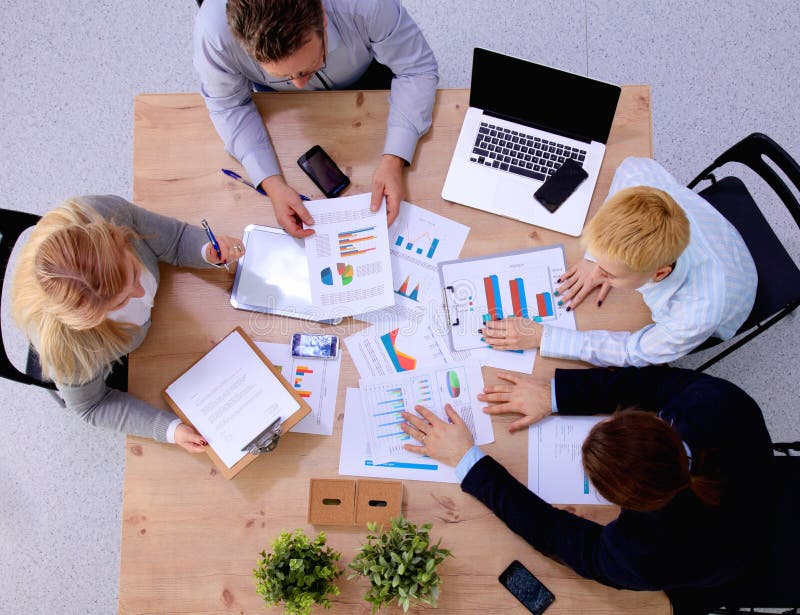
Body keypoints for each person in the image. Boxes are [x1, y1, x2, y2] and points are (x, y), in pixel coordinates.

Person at [400, 366, 775, 592]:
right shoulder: (720, 403)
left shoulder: (645, 553)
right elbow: (659, 382)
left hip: (734, 559)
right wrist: (557, 394)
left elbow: (556, 536)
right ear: (659, 423)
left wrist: (468, 460)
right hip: (757, 480)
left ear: (622, 502)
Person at [11, 195, 244, 452]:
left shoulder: (104, 212)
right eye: (121, 303)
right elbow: (91, 406)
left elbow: (173, 239)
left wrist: (205, 251)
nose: (141, 293)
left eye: (134, 272)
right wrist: (169, 429)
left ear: (116, 236)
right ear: (92, 320)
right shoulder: (70, 350)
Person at [194, 0, 439, 237]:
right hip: (284, 106)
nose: (300, 84)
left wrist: (394, 159)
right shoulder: (214, 32)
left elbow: (415, 69)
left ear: (321, 16)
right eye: (283, 74)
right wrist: (271, 183)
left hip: (369, 77)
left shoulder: (368, 5)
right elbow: (228, 105)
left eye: (307, 68)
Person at [481, 157, 758, 366]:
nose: (596, 274)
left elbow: (634, 351)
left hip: (736, 290)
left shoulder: (694, 315)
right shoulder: (643, 183)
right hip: (715, 233)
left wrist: (544, 337)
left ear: (658, 274)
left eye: (609, 273)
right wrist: (594, 259)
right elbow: (630, 165)